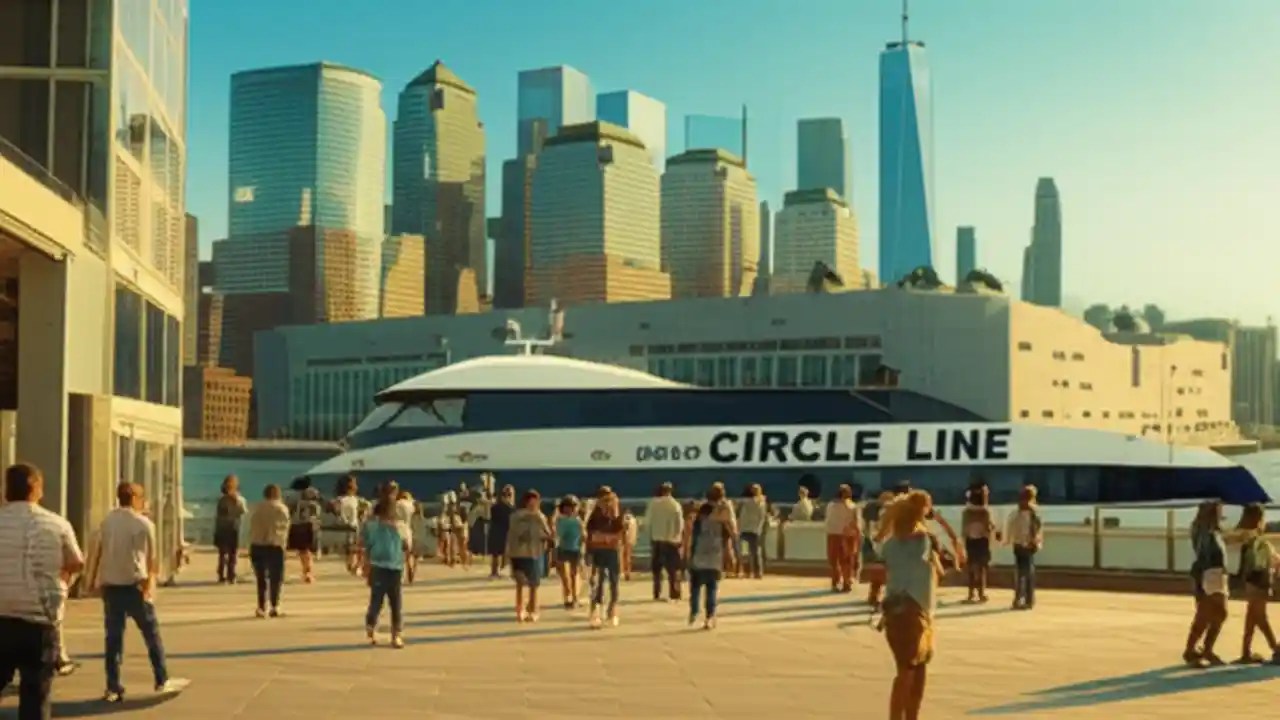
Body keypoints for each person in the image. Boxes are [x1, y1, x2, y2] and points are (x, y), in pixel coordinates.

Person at [0, 463, 85, 719]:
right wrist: (61, 583)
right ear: (36, 489)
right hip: (39, 621)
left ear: (6, 490)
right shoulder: (57, 524)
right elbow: (76, 562)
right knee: (36, 693)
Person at [91, 482, 188, 703]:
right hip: (135, 584)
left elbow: (99, 551)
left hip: (111, 585)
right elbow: (152, 560)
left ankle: (113, 685)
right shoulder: (144, 523)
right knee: (151, 635)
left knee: (113, 638)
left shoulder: (107, 522)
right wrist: (149, 587)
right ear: (135, 498)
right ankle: (161, 678)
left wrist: (94, 580)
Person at [880, 490, 943, 720]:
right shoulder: (925, 540)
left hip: (898, 611)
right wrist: (941, 522)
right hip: (915, 612)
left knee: (910, 670)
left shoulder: (890, 544)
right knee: (912, 672)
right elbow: (949, 565)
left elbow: (883, 572)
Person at [362, 482, 411, 649]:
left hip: (389, 565)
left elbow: (406, 546)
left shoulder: (393, 525)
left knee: (385, 600)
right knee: (388, 601)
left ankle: (381, 631)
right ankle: (388, 633)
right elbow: (407, 546)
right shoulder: (377, 525)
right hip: (386, 565)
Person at [1183, 500, 1228, 667]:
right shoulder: (1205, 530)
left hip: (1215, 572)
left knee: (1216, 613)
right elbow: (1204, 553)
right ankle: (1194, 650)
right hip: (1210, 572)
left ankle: (1202, 649)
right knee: (1208, 613)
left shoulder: (1210, 529)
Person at [1233, 503, 1279, 664]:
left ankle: (1276, 649)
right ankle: (1246, 652)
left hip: (1257, 583)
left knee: (1258, 617)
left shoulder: (1255, 540)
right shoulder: (1257, 540)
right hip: (1258, 582)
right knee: (1252, 617)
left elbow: (1258, 566)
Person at [507, 490, 553, 623]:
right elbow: (512, 534)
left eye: (536, 502)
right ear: (526, 502)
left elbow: (547, 533)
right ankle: (520, 609)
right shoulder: (516, 516)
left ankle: (533, 610)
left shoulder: (540, 516)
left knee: (533, 584)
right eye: (531, 502)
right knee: (520, 583)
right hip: (518, 553)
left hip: (534, 553)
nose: (534, 505)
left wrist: (545, 536)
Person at [685, 497, 728, 629]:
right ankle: (710, 616)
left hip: (699, 561)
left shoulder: (698, 524)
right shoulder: (721, 525)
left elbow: (692, 543)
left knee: (695, 589)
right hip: (715, 562)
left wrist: (688, 559)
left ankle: (694, 611)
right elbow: (726, 544)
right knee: (711, 590)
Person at [248, 485, 290, 618]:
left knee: (261, 578)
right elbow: (284, 529)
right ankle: (275, 605)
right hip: (275, 545)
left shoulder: (256, 508)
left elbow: (252, 526)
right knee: (276, 577)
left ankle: (261, 607)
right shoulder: (282, 509)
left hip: (257, 544)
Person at [586, 489, 625, 628]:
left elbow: (620, 537)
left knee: (614, 582)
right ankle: (595, 612)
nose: (608, 505)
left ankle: (612, 611)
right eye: (605, 502)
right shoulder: (595, 518)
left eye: (611, 502)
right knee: (597, 583)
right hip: (598, 553)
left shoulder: (617, 518)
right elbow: (591, 536)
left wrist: (604, 538)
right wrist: (607, 539)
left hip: (612, 553)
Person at [1005, 485, 1043, 610]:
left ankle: (1027, 599)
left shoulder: (1032, 514)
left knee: (1025, 573)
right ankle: (1021, 599)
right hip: (1019, 545)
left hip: (1027, 545)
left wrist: (1034, 542)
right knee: (1022, 573)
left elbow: (1036, 530)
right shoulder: (1019, 513)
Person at [646, 483, 684, 602]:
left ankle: (657, 592)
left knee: (657, 570)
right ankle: (674, 593)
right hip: (671, 541)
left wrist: (650, 537)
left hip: (657, 540)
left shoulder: (653, 504)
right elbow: (679, 523)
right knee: (673, 570)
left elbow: (648, 522)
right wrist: (678, 537)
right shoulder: (675, 505)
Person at [961, 483, 998, 604]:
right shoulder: (985, 512)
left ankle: (971, 593)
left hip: (970, 540)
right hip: (982, 541)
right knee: (982, 567)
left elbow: (964, 529)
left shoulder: (967, 512)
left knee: (971, 567)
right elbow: (989, 527)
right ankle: (981, 593)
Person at [824, 484, 860, 593]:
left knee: (834, 561)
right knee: (847, 561)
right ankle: (846, 582)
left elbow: (828, 520)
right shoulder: (852, 506)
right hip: (847, 535)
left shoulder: (831, 505)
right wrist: (858, 534)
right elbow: (856, 523)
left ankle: (836, 582)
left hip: (833, 534)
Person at [862, 492, 894, 610]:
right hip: (887, 546)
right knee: (885, 573)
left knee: (879, 572)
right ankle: (877, 596)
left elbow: (878, 530)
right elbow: (885, 529)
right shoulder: (888, 512)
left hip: (882, 546)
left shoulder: (883, 512)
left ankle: (874, 596)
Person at [213, 475, 248, 584]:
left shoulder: (220, 500)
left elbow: (218, 515)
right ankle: (231, 574)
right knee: (233, 553)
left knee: (222, 553)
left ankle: (221, 574)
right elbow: (243, 511)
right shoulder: (239, 499)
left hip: (221, 528)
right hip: (233, 527)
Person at [554, 496, 586, 608]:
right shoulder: (561, 520)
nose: (571, 509)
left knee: (574, 575)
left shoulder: (578, 520)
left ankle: (575, 597)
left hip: (575, 549)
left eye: (573, 507)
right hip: (564, 548)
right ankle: (568, 596)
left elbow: (583, 535)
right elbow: (558, 534)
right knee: (565, 576)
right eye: (568, 507)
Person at [286, 485, 322, 583]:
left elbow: (293, 516)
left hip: (298, 527)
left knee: (303, 552)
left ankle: (306, 572)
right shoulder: (315, 506)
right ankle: (308, 573)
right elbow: (316, 518)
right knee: (307, 552)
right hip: (309, 527)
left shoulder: (299, 503)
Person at [332, 476, 363, 575]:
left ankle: (353, 566)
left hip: (350, 527)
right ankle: (353, 566)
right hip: (351, 527)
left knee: (353, 549)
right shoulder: (346, 500)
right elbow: (339, 514)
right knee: (355, 548)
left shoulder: (345, 500)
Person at [738, 484, 769, 579]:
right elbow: (762, 517)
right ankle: (756, 572)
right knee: (754, 552)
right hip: (752, 529)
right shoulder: (761, 502)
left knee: (749, 552)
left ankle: (751, 572)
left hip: (748, 528)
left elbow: (743, 515)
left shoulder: (748, 502)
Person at [488, 485, 515, 578]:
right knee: (498, 553)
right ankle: (495, 572)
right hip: (501, 532)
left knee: (499, 553)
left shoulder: (498, 506)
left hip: (499, 531)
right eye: (509, 494)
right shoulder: (507, 507)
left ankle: (497, 571)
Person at [395, 489, 417, 583]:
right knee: (408, 554)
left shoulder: (396, 504)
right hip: (407, 529)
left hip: (397, 529)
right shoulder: (411, 505)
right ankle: (410, 568)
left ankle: (400, 576)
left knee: (398, 554)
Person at [621, 507, 638, 581]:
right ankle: (628, 572)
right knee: (628, 557)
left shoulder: (625, 519)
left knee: (625, 557)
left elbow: (625, 530)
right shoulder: (634, 520)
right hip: (631, 540)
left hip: (625, 541)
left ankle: (626, 573)